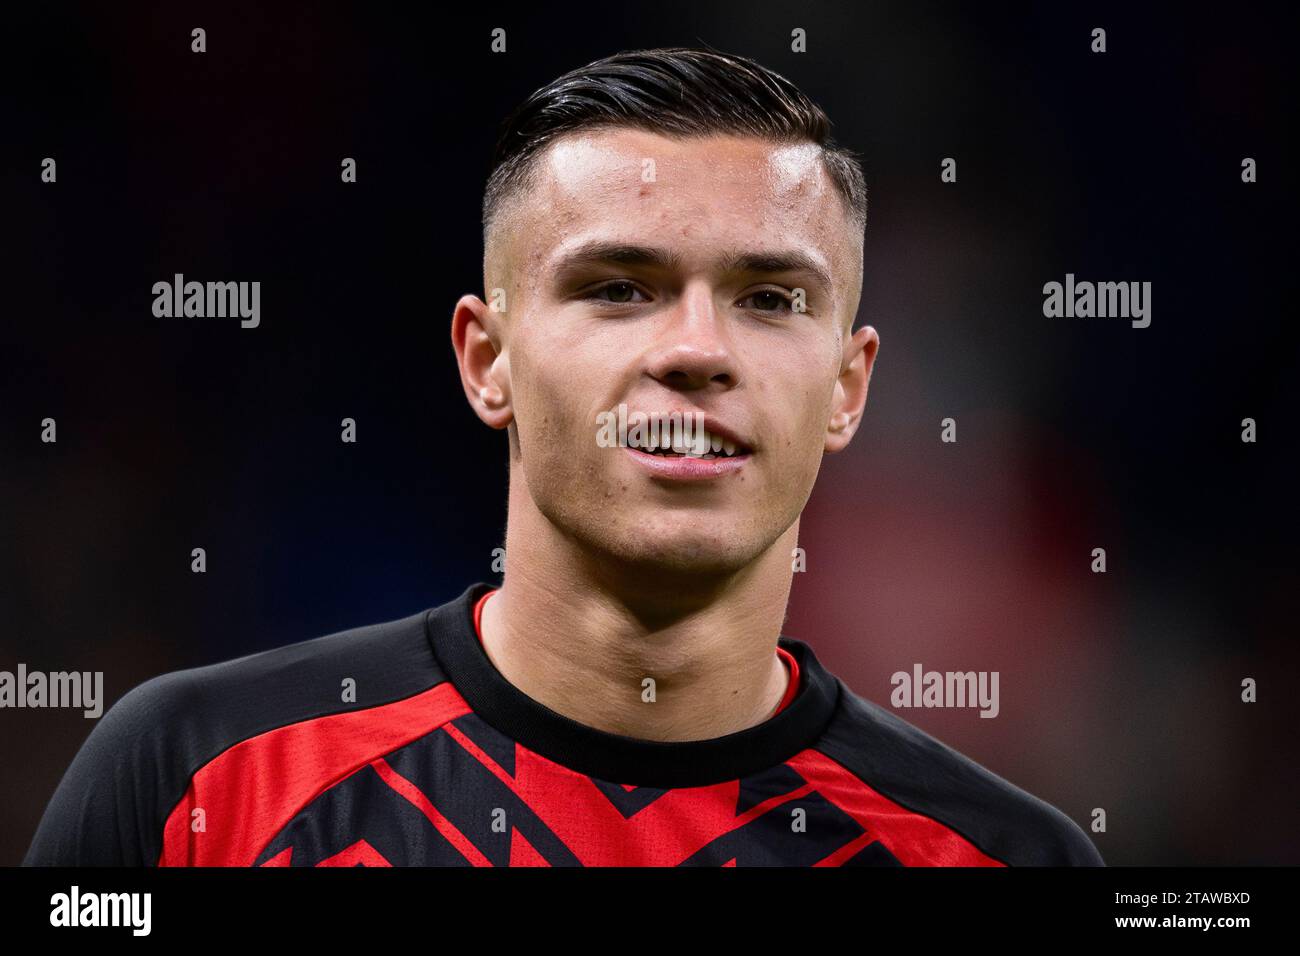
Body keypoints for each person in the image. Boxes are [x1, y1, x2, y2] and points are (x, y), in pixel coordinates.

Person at [24, 47, 1102, 866]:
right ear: (486, 359)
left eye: (770, 298)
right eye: (617, 287)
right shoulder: (193, 781)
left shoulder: (1003, 855)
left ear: (849, 386)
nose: (694, 349)